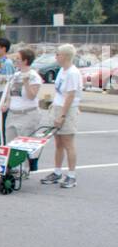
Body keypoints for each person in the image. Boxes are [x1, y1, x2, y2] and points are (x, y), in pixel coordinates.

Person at [41, 42, 83, 189]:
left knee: (68, 143)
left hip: (67, 110)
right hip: (58, 107)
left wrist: (62, 115)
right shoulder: (62, 70)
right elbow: (60, 92)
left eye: (58, 54)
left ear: (65, 56)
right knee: (58, 143)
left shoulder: (72, 72)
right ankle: (57, 172)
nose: (56, 56)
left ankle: (71, 175)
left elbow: (70, 96)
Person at [1, 47, 43, 141]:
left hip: (27, 114)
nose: (15, 60)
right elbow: (10, 93)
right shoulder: (16, 75)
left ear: (25, 61)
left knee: (23, 147)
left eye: (18, 58)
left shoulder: (34, 76)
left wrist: (26, 83)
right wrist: (7, 104)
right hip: (12, 114)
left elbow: (31, 96)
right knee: (10, 144)